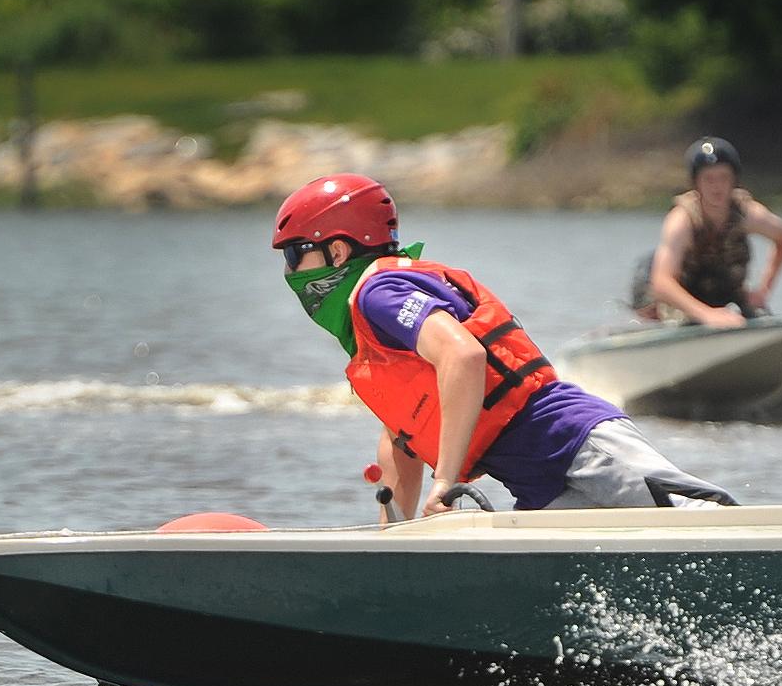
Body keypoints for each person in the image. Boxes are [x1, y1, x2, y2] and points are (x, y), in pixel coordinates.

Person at [274, 173, 734, 517]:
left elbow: (464, 355)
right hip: (535, 483)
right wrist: (391, 543)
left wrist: (447, 481)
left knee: (702, 521)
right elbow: (400, 443)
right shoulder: (373, 327)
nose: (291, 272)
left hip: (571, 442)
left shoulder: (380, 293)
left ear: (337, 252)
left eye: (295, 254)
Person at [639, 136, 782, 329]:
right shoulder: (682, 221)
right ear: (696, 182)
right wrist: (707, 315)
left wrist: (763, 291)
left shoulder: (748, 213)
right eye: (709, 179)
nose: (717, 186)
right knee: (681, 321)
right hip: (682, 299)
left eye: (723, 177)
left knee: (760, 318)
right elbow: (661, 282)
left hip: (728, 293)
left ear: (734, 180)